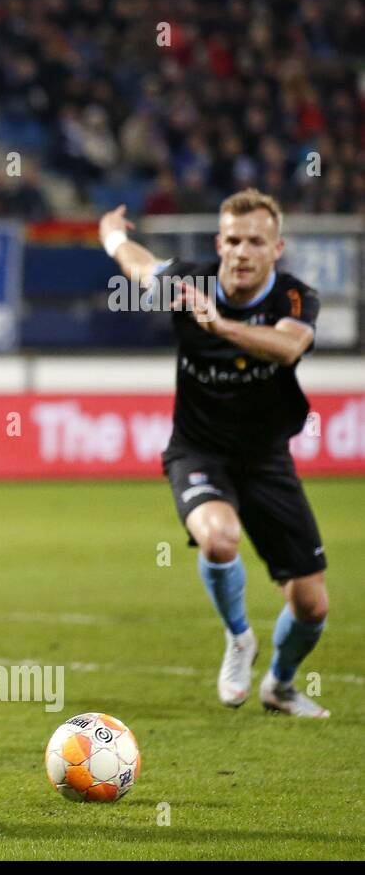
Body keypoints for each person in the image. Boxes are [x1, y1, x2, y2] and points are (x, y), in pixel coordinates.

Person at [99, 189, 330, 717]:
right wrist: (112, 235)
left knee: (312, 605)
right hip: (198, 450)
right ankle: (239, 637)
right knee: (219, 539)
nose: (242, 252)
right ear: (218, 243)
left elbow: (290, 346)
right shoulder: (190, 283)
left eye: (256, 241)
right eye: (233, 240)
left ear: (277, 248)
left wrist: (221, 326)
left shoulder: (295, 299)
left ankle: (281, 684)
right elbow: (139, 269)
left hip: (266, 459)